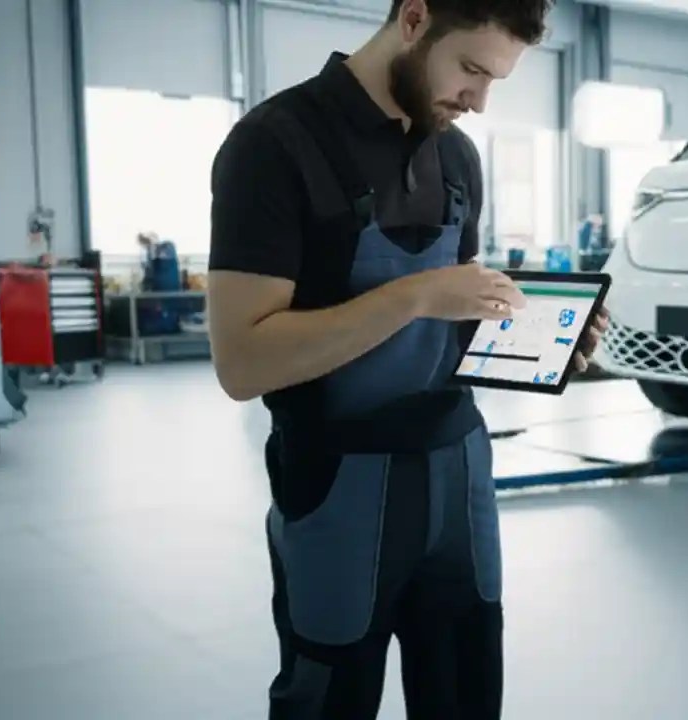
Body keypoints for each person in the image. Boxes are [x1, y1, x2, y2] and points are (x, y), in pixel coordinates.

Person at [205, 0, 608, 717]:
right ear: (415, 19)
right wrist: (414, 296)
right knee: (328, 698)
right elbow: (242, 363)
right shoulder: (273, 144)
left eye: (496, 82)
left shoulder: (456, 155)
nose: (479, 101)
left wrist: (537, 339)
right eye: (472, 70)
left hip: (460, 480)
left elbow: (454, 329)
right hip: (337, 486)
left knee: (466, 691)